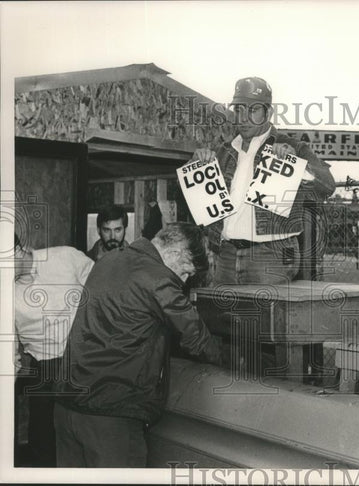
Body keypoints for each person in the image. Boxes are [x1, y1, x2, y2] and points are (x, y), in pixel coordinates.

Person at [53, 223, 217, 467]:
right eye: (185, 272)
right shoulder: (158, 277)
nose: (183, 282)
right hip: (111, 415)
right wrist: (233, 363)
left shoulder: (109, 260)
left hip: (67, 408)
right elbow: (197, 339)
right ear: (174, 254)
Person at [191, 77, 336, 285]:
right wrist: (196, 164)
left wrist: (295, 163)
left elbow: (327, 185)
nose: (244, 117)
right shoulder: (224, 151)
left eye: (253, 110)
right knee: (224, 317)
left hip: (271, 255)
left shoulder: (291, 146)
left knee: (267, 317)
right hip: (226, 254)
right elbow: (193, 200)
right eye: (239, 109)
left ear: (268, 113)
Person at [13, 234, 94, 467]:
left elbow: (104, 295)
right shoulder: (4, 290)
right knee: (43, 444)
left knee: (87, 441)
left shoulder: (66, 257)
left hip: (86, 362)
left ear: (18, 249)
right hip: (44, 371)